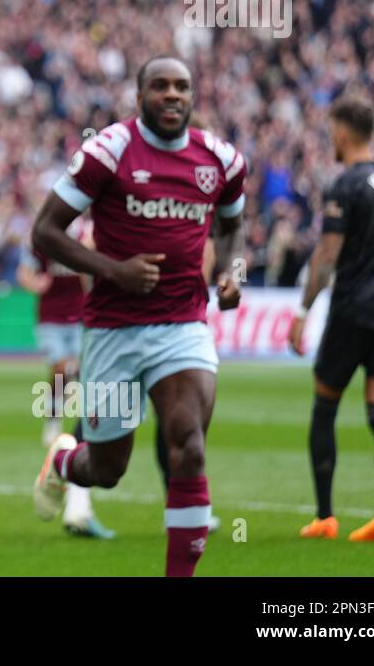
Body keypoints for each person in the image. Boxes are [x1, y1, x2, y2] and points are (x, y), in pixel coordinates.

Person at [29, 55, 246, 576]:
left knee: (188, 447)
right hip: (114, 331)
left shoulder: (222, 159)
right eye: (160, 86)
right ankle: (62, 460)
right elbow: (45, 231)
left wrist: (233, 273)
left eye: (182, 87)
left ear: (193, 96)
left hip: (184, 326)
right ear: (140, 96)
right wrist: (114, 271)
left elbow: (233, 228)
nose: (172, 95)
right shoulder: (108, 151)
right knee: (106, 470)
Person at [288, 96, 374, 543]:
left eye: (331, 131)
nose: (330, 138)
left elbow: (326, 255)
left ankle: (325, 517)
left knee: (324, 406)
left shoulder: (345, 185)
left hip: (351, 317)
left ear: (344, 134)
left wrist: (303, 311)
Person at [18, 217, 112, 538]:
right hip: (51, 316)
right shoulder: (44, 239)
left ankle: (63, 453)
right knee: (60, 369)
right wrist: (34, 284)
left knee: (82, 375)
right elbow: (25, 272)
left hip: (81, 315)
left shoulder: (89, 234)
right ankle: (53, 423)